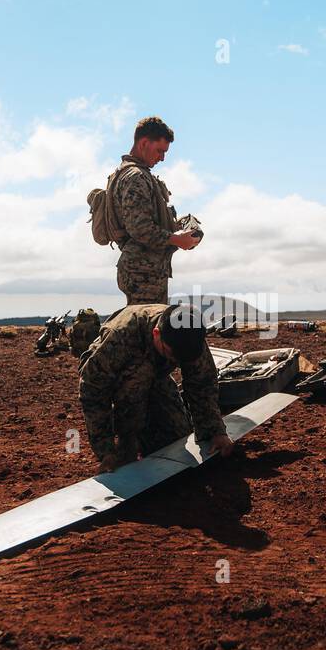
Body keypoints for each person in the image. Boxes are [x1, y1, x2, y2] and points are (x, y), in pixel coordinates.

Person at [78, 303, 233, 472]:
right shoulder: (121, 336)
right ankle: (128, 441)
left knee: (177, 438)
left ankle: (147, 434)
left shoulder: (190, 335)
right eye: (173, 356)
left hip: (156, 376)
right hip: (118, 375)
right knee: (138, 380)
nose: (177, 362)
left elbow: (202, 384)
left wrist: (215, 431)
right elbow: (93, 390)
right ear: (156, 334)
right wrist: (106, 450)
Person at [109, 116, 203, 305]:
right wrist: (178, 239)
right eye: (159, 150)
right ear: (144, 143)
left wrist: (178, 226)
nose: (162, 158)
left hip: (145, 270)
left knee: (148, 330)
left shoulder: (130, 173)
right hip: (142, 273)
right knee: (146, 330)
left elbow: (143, 223)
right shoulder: (135, 177)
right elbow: (140, 229)